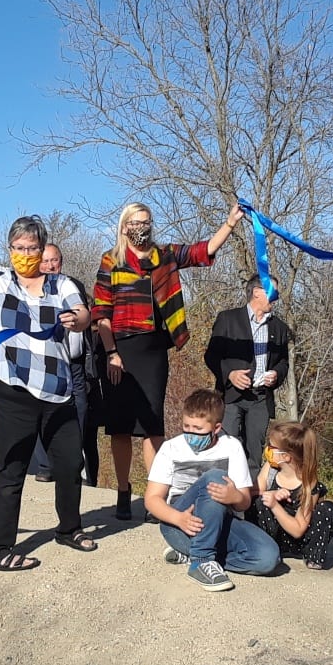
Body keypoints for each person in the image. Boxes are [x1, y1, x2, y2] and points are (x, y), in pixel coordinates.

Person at [0, 165, 97, 571]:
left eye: (32, 248)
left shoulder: (62, 284)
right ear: (9, 248)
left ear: (42, 249)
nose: (25, 254)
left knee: (70, 464)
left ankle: (69, 529)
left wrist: (78, 320)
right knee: (10, 470)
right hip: (12, 391)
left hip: (58, 392)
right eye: (18, 247)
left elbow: (84, 313)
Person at [93, 201, 243, 519]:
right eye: (135, 222)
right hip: (120, 349)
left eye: (145, 221)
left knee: (152, 427)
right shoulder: (111, 260)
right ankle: (122, 490)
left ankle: (155, 495)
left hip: (153, 350)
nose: (141, 227)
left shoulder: (166, 255)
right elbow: (101, 312)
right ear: (124, 226)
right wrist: (111, 353)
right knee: (120, 427)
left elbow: (203, 251)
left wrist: (230, 223)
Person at [144, 389, 279, 592]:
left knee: (268, 557)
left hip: (220, 522)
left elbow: (244, 502)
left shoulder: (232, 447)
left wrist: (235, 497)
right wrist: (178, 518)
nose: (190, 433)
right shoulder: (170, 448)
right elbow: (152, 499)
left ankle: (191, 553)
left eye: (198, 429)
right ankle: (201, 560)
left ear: (216, 428)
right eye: (186, 426)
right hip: (178, 525)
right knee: (215, 477)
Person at [29, 242, 99, 486]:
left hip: (75, 363)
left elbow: (87, 319)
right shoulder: (31, 289)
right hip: (44, 361)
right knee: (41, 411)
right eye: (45, 261)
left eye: (54, 260)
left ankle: (72, 463)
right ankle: (46, 466)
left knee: (80, 412)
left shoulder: (73, 285)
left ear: (61, 261)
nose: (50, 266)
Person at [204, 277, 291, 468]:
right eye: (273, 292)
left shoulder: (280, 327)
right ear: (257, 292)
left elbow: (283, 362)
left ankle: (251, 487)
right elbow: (211, 356)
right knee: (227, 447)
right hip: (231, 396)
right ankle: (224, 486)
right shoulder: (228, 319)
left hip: (261, 398)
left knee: (254, 452)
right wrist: (230, 374)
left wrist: (276, 374)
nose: (277, 297)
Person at [248, 420, 333, 569]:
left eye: (271, 446)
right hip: (275, 534)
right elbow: (252, 491)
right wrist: (271, 494)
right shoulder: (270, 469)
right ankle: (264, 547)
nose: (267, 449)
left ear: (286, 456)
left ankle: (313, 556)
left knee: (327, 509)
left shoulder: (308, 483)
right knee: (258, 501)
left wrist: (275, 505)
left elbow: (298, 530)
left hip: (299, 539)